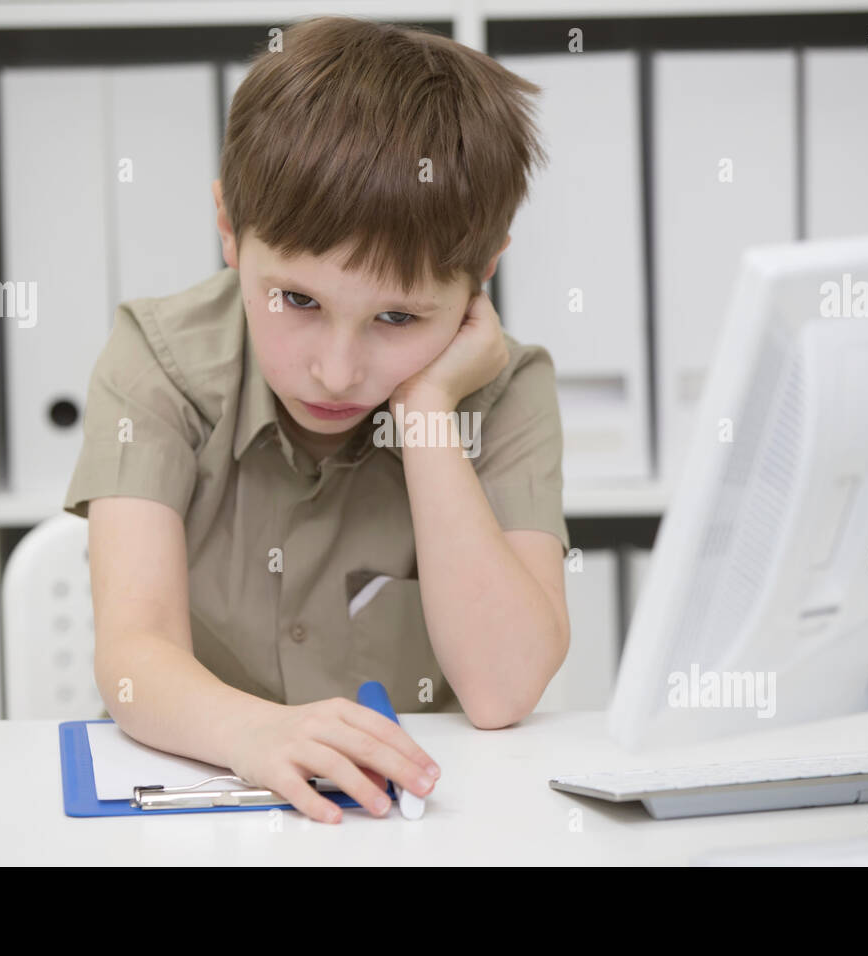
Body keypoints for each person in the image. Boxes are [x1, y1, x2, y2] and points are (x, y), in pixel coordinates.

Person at [63, 15, 570, 824]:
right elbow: (133, 654)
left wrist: (429, 412)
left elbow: (503, 690)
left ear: (484, 277)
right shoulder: (155, 362)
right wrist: (255, 732)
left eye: (399, 319)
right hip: (203, 808)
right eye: (298, 300)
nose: (337, 371)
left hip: (414, 829)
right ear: (229, 229)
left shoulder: (506, 391)